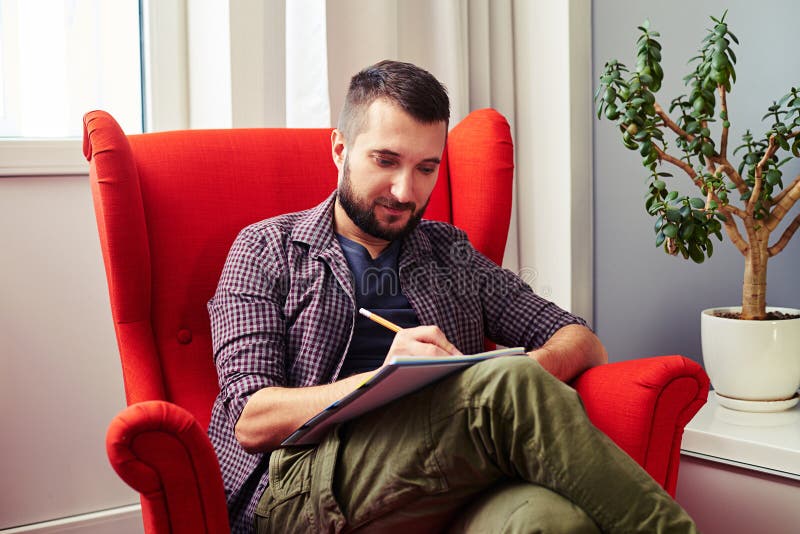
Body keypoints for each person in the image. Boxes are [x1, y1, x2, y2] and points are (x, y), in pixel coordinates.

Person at [208, 59, 698, 533]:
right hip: (304, 486)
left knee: (552, 522)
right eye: (385, 160)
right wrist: (384, 380)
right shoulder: (266, 248)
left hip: (448, 477)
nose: (405, 191)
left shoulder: (449, 253)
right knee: (504, 386)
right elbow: (252, 420)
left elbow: (581, 340)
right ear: (340, 149)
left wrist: (509, 387)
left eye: (426, 168)